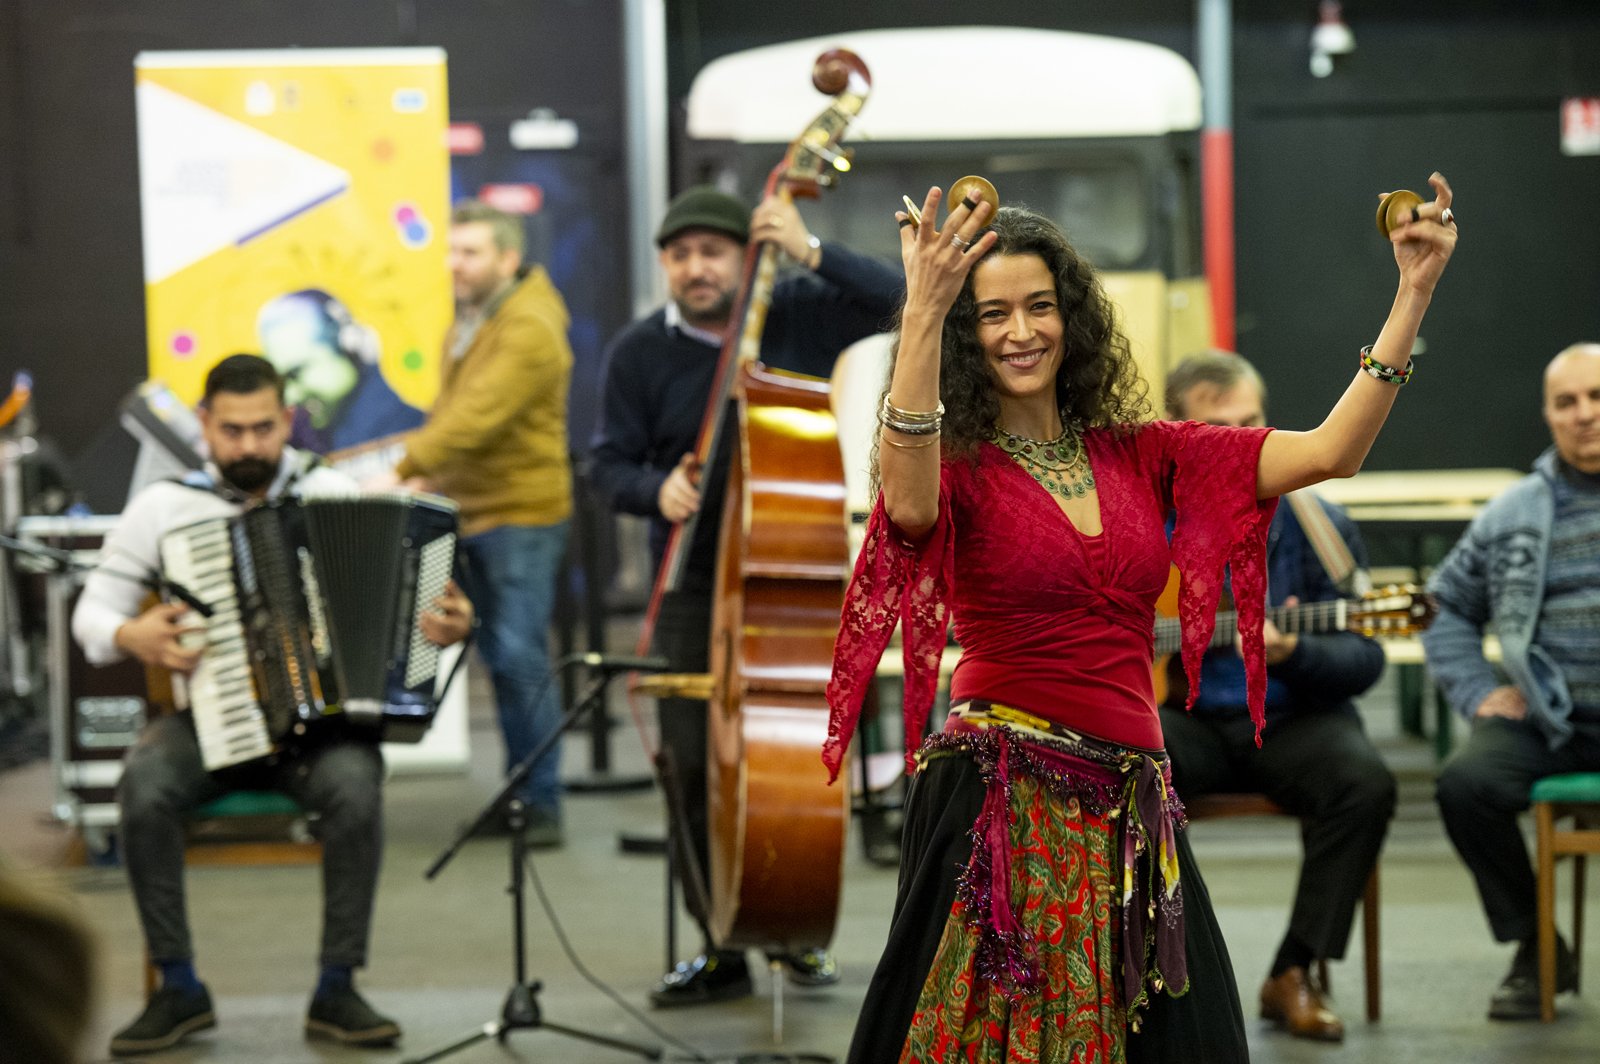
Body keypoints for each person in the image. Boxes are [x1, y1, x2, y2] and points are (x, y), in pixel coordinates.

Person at [824, 175, 1457, 1062]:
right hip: (1003, 797)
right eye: (992, 314)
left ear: (1071, 318)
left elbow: (1330, 451)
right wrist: (924, 310)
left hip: (1133, 803)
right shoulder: (950, 462)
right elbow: (910, 501)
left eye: (1039, 306)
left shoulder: (1141, 451)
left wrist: (1413, 293)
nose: (1020, 332)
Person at [71, 355, 474, 1056]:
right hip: (207, 723)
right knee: (142, 783)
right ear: (205, 426)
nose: (250, 446)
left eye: (264, 428)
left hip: (315, 734)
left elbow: (406, 615)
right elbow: (90, 616)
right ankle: (178, 986)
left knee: (357, 781)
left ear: (287, 421)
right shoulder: (166, 507)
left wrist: (439, 630)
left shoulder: (331, 491)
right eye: (233, 431)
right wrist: (131, 633)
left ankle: (337, 986)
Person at [589, 184, 903, 1006]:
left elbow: (905, 299)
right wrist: (654, 490)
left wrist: (811, 248)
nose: (697, 269)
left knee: (797, 763)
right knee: (691, 766)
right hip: (691, 587)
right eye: (681, 254)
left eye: (713, 252)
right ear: (665, 263)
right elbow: (606, 464)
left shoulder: (794, 311)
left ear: (746, 255)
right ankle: (721, 938)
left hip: (792, 575)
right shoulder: (637, 353)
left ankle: (793, 924)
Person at [1158, 350, 1395, 1043]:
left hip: (1291, 718)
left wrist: (1299, 651)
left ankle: (1294, 969)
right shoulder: (1143, 521)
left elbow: (1366, 653)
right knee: (1116, 770)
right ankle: (1153, 974)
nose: (1242, 442)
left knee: (1364, 783)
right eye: (1217, 427)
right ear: (1178, 434)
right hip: (1183, 716)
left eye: (1252, 422)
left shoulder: (1317, 523)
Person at [370, 199, 573, 847]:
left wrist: (406, 466)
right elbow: (457, 412)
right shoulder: (481, 317)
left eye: (471, 252)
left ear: (507, 259)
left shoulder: (530, 325)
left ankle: (540, 803)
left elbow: (477, 415)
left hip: (519, 516)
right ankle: (523, 796)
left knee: (517, 659)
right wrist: (428, 472)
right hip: (479, 509)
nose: (455, 264)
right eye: (451, 251)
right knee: (502, 657)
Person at [1425, 342, 1600, 1021]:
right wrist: (1477, 692)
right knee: (1466, 783)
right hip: (1551, 724)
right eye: (1567, 403)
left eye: (1596, 397)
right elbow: (1443, 608)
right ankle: (1537, 944)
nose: (1585, 414)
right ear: (1549, 416)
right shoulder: (1513, 513)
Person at [257, 288, 424, 453]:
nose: (291, 395)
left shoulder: (413, 426)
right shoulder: (311, 443)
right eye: (281, 381)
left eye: (296, 374)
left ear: (349, 346)